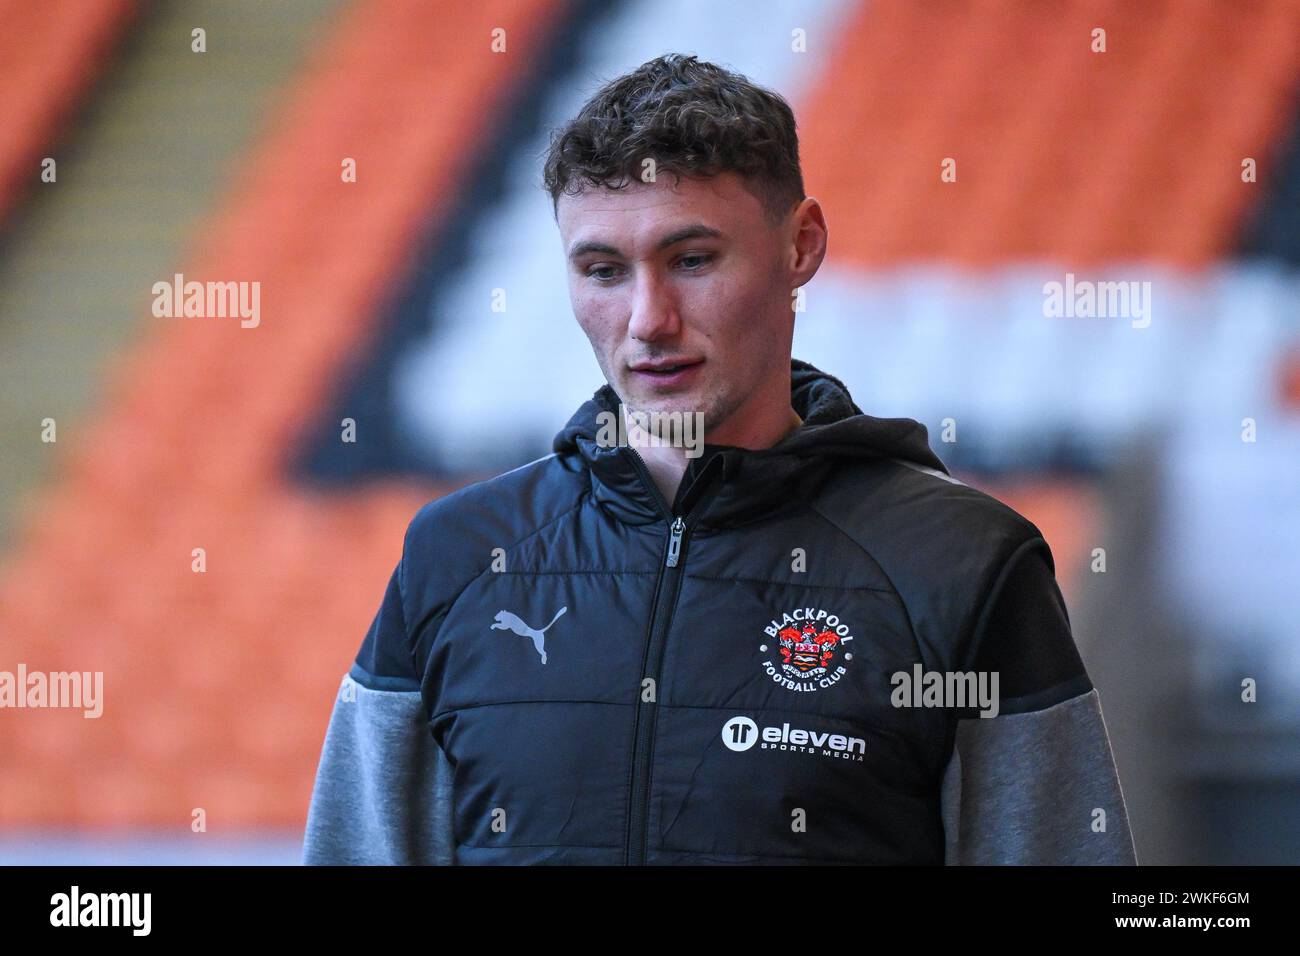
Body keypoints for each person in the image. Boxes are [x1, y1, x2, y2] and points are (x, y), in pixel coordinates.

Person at [302, 53, 1136, 866]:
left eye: (692, 261)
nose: (647, 320)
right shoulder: (455, 559)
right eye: (602, 271)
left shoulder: (963, 564)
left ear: (800, 246)